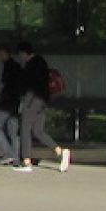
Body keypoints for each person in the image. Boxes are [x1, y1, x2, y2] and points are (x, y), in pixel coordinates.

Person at [13, 40, 70, 172]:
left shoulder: (30, 65)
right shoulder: (42, 63)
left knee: (25, 129)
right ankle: (60, 152)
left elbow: (28, 86)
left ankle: (26, 161)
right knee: (38, 131)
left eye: (20, 54)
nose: (20, 58)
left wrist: (24, 103)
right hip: (43, 101)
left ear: (24, 53)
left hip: (31, 101)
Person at [0, 42, 25, 163]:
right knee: (13, 132)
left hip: (6, 103)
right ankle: (16, 158)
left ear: (3, 52)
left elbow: (4, 85)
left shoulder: (9, 66)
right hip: (16, 102)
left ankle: (9, 153)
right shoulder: (17, 66)